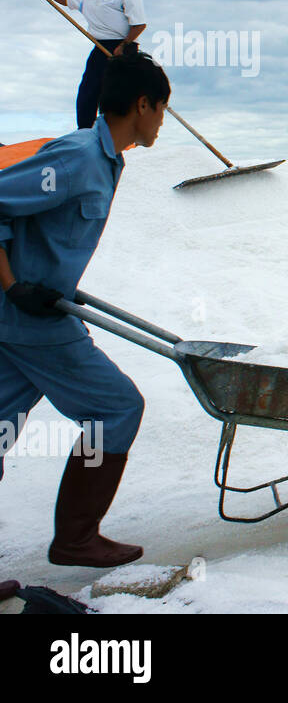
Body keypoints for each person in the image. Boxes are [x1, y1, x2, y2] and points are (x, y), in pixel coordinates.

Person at [0, 50, 169, 567]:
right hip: (33, 321)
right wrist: (12, 287)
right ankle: (76, 538)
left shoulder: (105, 161)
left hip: (25, 318)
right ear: (141, 105)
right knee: (116, 408)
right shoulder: (76, 157)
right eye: (161, 108)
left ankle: (75, 538)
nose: (162, 120)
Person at [22, 0, 148, 130]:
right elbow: (67, 0)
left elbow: (139, 24)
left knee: (113, 100)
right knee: (87, 95)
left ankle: (115, 141)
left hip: (124, 48)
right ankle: (85, 136)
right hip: (100, 47)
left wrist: (124, 45)